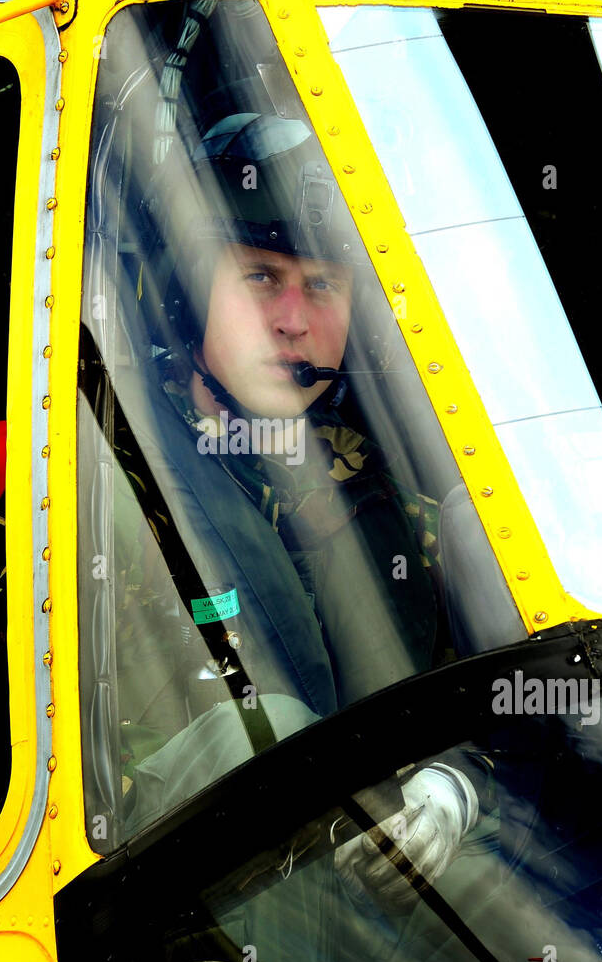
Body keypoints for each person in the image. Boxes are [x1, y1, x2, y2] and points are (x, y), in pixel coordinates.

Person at [114, 112, 490, 913]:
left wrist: (451, 785)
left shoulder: (395, 500)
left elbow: (492, 695)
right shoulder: (101, 473)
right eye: (260, 278)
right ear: (186, 291)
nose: (294, 320)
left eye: (323, 286)